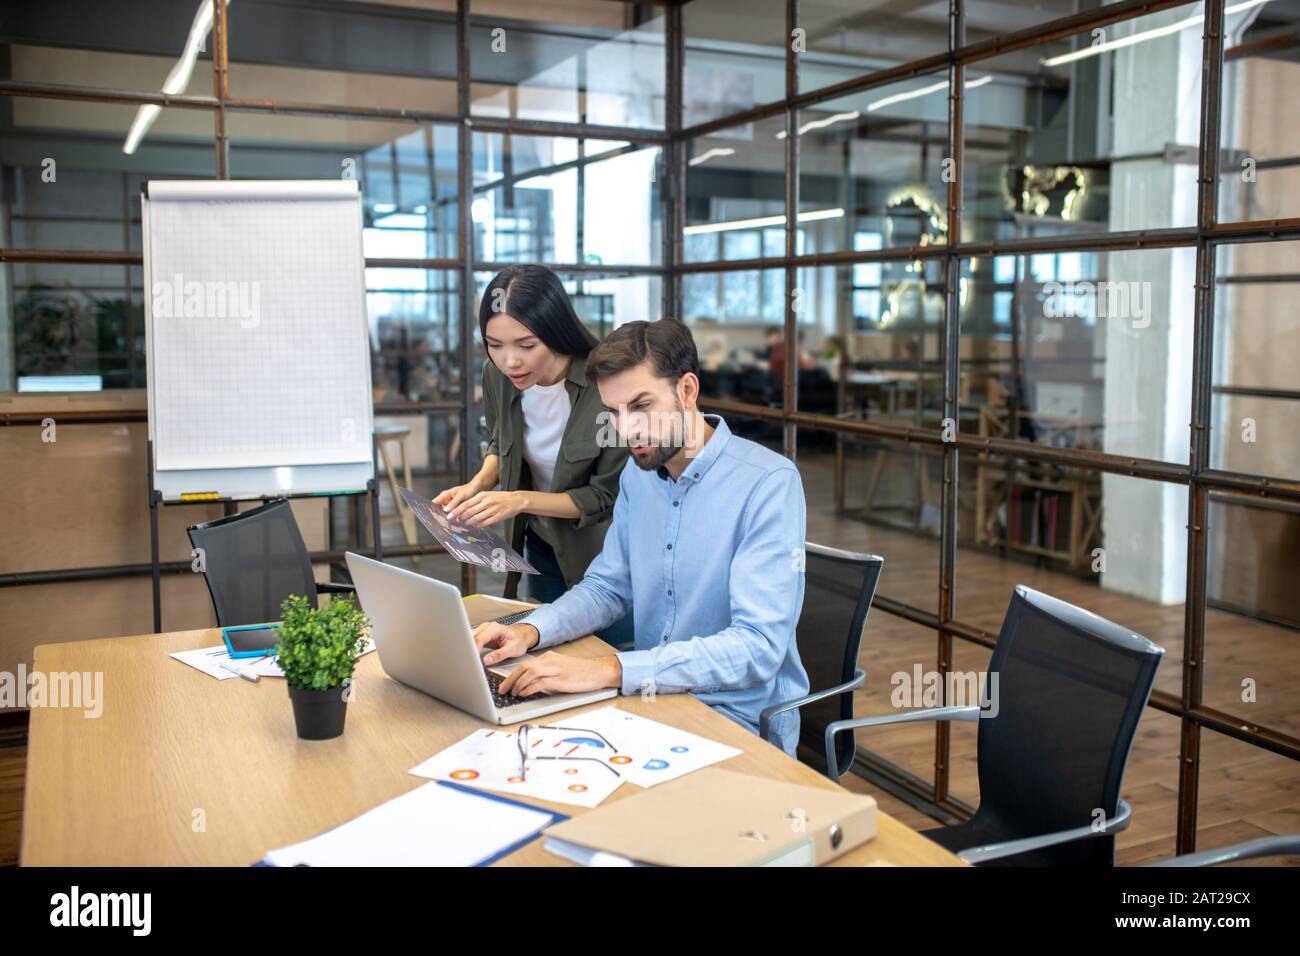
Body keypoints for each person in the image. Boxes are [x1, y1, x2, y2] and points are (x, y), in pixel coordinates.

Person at [471, 319, 810, 755]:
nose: (627, 430)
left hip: (736, 723)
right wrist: (530, 630)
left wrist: (610, 670)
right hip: (652, 704)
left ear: (687, 389)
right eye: (614, 413)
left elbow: (757, 648)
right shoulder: (640, 473)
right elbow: (607, 587)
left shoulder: (768, 483)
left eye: (641, 406)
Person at [435, 264, 632, 645]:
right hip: (541, 548)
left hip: (601, 559)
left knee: (603, 658)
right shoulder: (497, 378)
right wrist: (477, 486)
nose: (510, 361)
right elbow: (500, 443)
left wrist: (518, 500)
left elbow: (604, 498)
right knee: (541, 653)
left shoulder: (605, 386)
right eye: (495, 345)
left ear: (557, 332)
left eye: (526, 345)